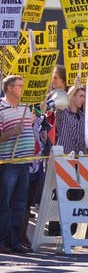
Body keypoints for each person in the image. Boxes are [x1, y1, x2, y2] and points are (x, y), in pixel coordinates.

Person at [0, 76, 36, 254]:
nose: (23, 89)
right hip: (8, 163)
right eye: (20, 86)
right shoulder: (1, 108)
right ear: (9, 88)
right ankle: (2, 240)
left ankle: (15, 241)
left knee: (20, 205)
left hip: (24, 163)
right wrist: (12, 132)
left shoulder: (25, 107)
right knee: (4, 204)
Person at [55, 86, 86, 154]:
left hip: (80, 161)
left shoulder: (83, 117)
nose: (83, 100)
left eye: (84, 97)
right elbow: (62, 102)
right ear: (73, 96)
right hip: (63, 161)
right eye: (81, 96)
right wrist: (75, 86)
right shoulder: (63, 113)